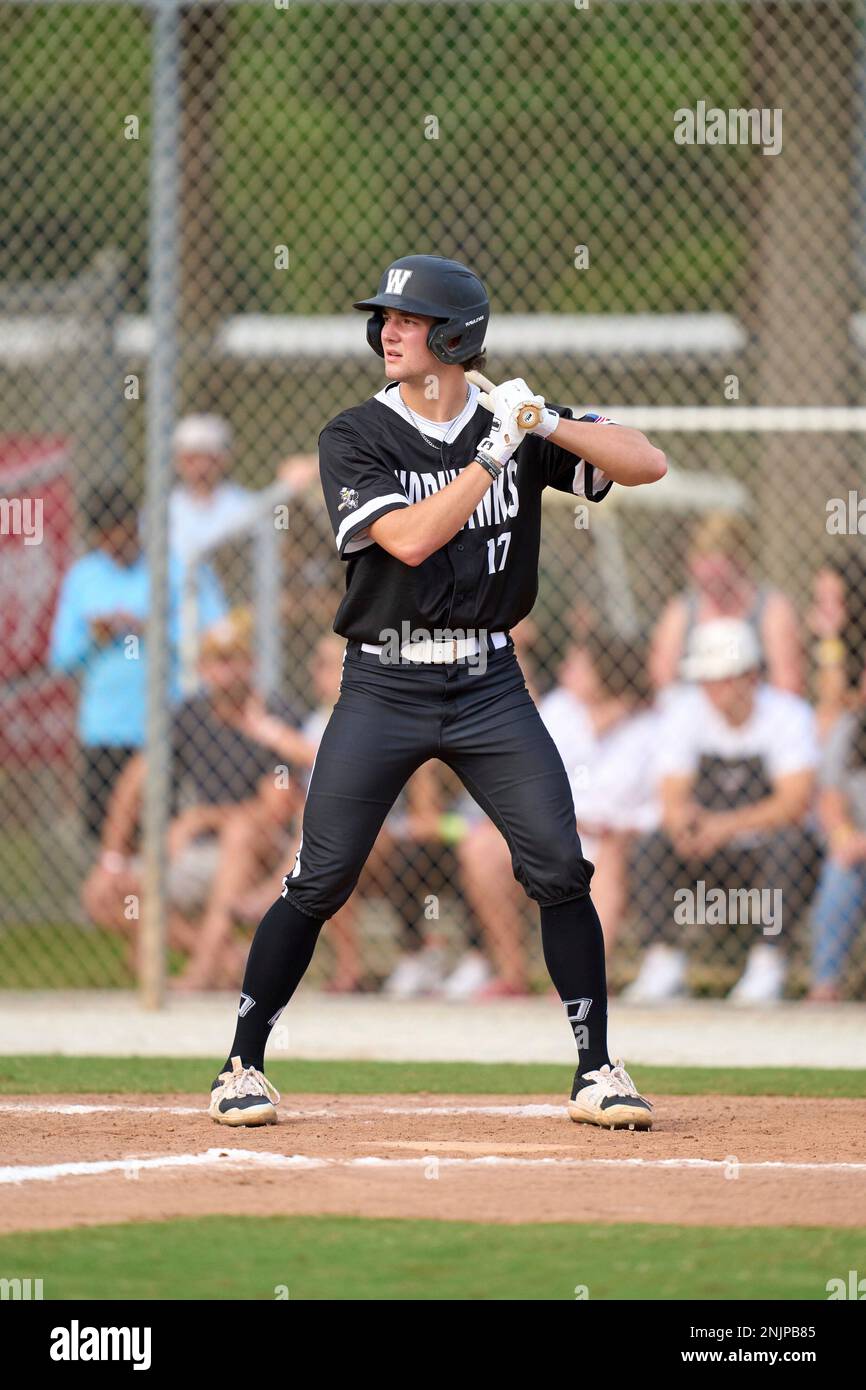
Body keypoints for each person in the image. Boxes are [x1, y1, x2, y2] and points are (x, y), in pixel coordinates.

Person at [208, 253, 666, 1130]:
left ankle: (598, 1068)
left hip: (488, 680)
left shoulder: (509, 420)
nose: (388, 331)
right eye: (384, 317)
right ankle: (242, 1062)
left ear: (456, 337)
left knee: (559, 866)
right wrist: (497, 455)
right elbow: (412, 541)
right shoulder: (356, 434)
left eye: (408, 321)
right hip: (384, 682)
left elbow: (646, 463)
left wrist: (547, 422)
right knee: (321, 875)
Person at [81, 609, 302, 988]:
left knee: (239, 833)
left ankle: (199, 975)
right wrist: (112, 858)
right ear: (202, 666)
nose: (225, 670)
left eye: (234, 659)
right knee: (101, 894)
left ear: (251, 663)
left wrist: (201, 818)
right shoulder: (190, 714)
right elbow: (134, 782)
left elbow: (276, 810)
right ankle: (227, 960)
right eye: (216, 660)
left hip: (263, 849)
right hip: (198, 853)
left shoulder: (272, 713)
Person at [626, 618, 819, 1005]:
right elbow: (672, 795)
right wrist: (684, 825)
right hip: (708, 854)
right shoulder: (685, 711)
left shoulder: (788, 715)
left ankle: (769, 962)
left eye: (722, 679)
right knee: (652, 846)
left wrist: (722, 826)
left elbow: (794, 803)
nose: (713, 691)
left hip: (764, 856)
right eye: (708, 680)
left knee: (792, 844)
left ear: (750, 676)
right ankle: (664, 961)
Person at [458, 632, 658, 995]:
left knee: (609, 861)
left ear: (606, 671)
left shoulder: (649, 725)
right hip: (554, 831)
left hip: (617, 841)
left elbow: (656, 803)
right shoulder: (560, 710)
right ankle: (512, 974)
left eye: (578, 664)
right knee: (480, 848)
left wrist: (622, 829)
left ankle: (580, 984)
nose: (566, 669)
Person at [49, 484, 225, 839]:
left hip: (167, 727)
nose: (119, 549)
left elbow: (213, 635)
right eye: (108, 542)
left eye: (125, 536)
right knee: (107, 839)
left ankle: (154, 896)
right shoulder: (83, 577)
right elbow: (61, 658)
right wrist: (94, 636)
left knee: (162, 837)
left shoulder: (173, 568)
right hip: (105, 730)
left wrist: (152, 628)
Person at [649, 511, 804, 699]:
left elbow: (787, 684)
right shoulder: (681, 612)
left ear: (738, 563)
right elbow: (662, 679)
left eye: (719, 582)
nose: (713, 593)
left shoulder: (771, 609)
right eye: (704, 583)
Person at [169, 413, 317, 562]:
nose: (201, 467)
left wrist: (286, 487)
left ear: (223, 459)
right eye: (191, 459)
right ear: (178, 461)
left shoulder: (244, 505)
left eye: (209, 458)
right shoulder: (165, 510)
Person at [808, 658, 866, 1001]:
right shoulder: (850, 728)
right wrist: (844, 838)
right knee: (840, 871)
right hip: (857, 851)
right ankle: (825, 985)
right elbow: (829, 799)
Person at [807, 547, 866, 741]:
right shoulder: (811, 643)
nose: (827, 611)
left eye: (836, 600)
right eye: (821, 601)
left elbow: (833, 700)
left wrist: (831, 638)